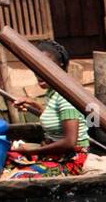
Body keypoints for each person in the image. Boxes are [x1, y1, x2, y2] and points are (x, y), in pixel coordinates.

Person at [8, 39, 89, 177]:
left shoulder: (65, 95)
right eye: (35, 67)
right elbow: (55, 118)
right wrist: (32, 103)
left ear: (59, 65)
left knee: (19, 176)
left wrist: (33, 151)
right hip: (52, 154)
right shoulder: (52, 92)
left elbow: (70, 142)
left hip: (69, 159)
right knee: (5, 156)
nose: (38, 73)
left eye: (44, 66)